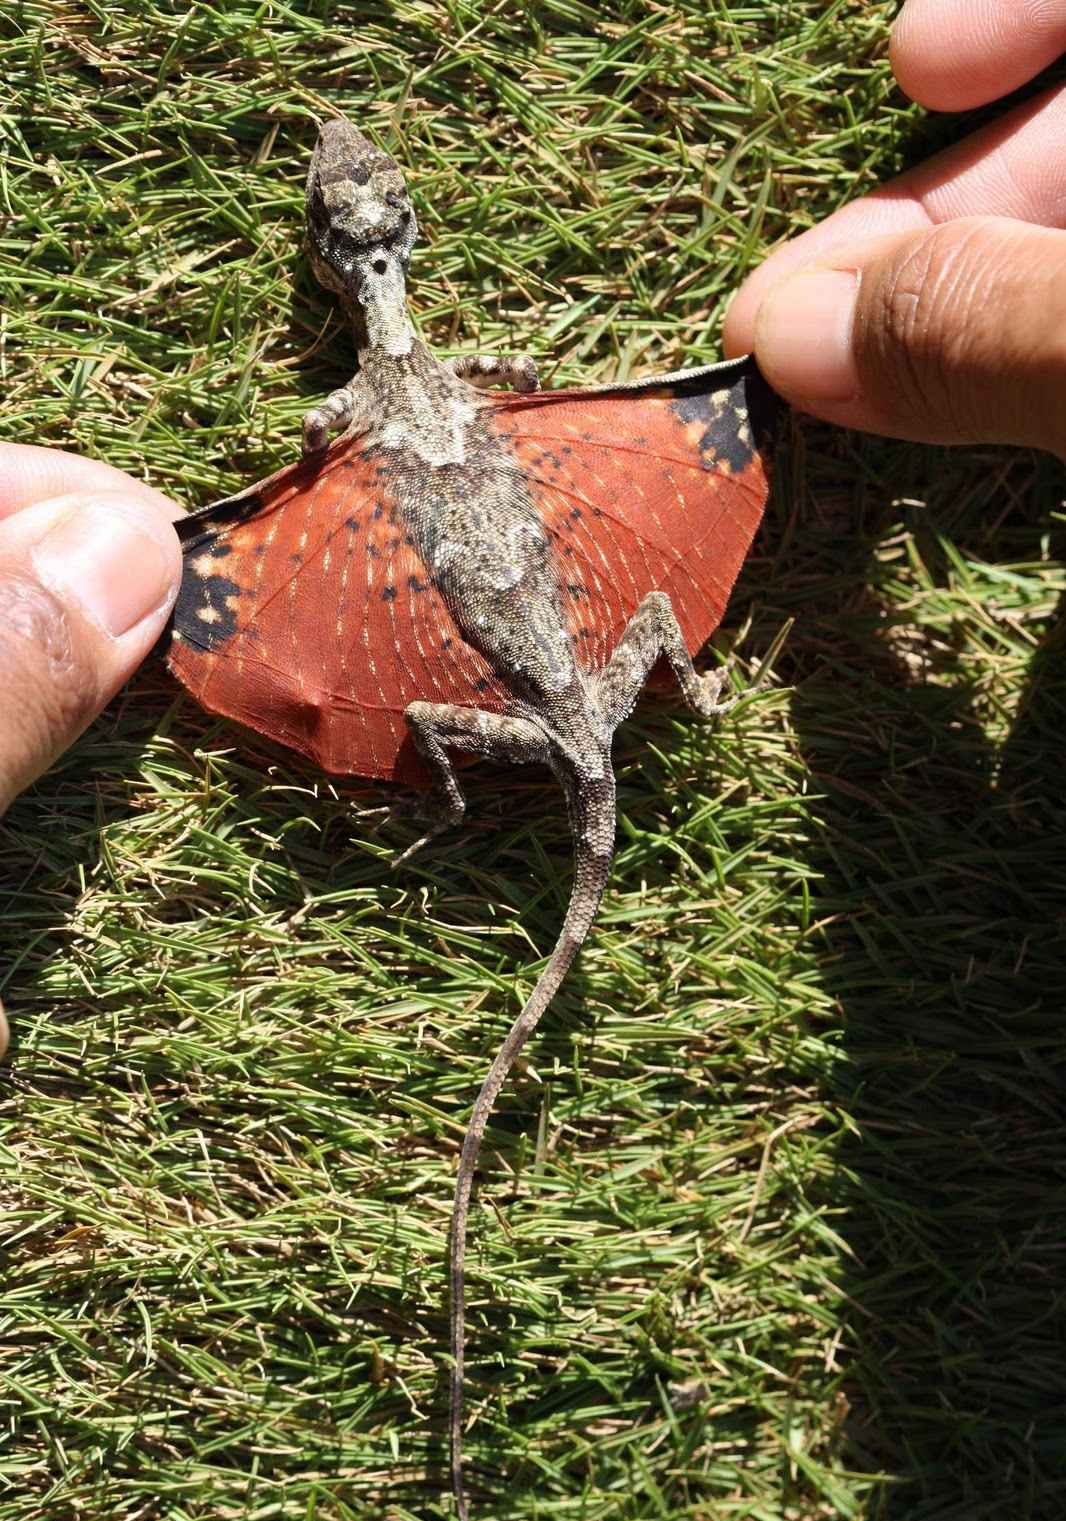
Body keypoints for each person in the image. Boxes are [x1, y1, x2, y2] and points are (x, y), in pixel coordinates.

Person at [0, 0, 1063, 1056]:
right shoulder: (455, 380)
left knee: (429, 716)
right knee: (616, 630)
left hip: (545, 703)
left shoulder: (351, 404)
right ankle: (684, 695)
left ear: (331, 255)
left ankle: (452, 810)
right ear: (405, 233)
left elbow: (325, 429)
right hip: (577, 678)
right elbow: (518, 376)